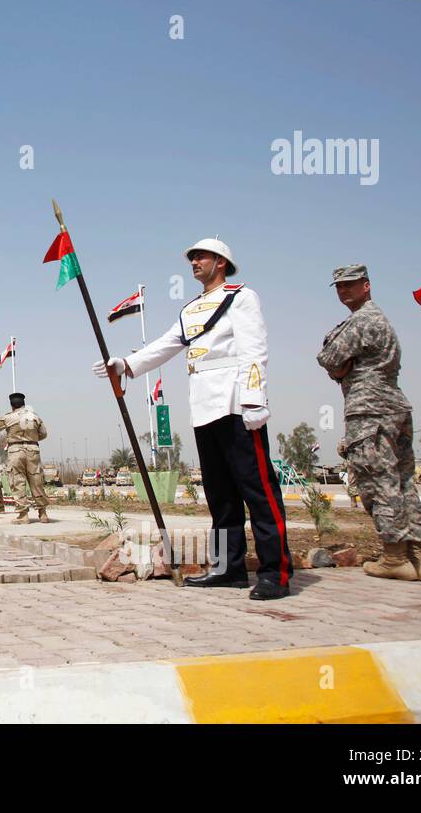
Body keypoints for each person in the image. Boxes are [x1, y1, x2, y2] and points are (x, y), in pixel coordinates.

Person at [94, 237, 292, 601]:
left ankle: (275, 572)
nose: (193, 262)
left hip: (236, 405)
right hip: (204, 405)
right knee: (220, 497)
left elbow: (254, 351)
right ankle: (228, 569)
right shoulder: (191, 309)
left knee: (259, 491)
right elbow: (167, 344)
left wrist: (253, 399)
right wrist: (127, 364)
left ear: (220, 262)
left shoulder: (241, 297)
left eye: (200, 257)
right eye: (192, 258)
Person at [317, 264, 421, 581]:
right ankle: (417, 555)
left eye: (350, 285)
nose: (344, 291)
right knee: (403, 480)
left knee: (376, 481)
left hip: (369, 409)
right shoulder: (382, 319)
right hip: (395, 405)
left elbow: (328, 358)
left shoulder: (361, 321)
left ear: (366, 285)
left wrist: (340, 368)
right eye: (339, 286)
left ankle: (394, 557)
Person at [0, 393, 49, 522]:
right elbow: (44, 434)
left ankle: (23, 515)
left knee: (17, 482)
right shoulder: (34, 417)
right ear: (24, 404)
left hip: (15, 451)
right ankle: (43, 513)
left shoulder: (9, 417)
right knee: (36, 481)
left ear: (12, 405)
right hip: (33, 450)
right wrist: (32, 438)